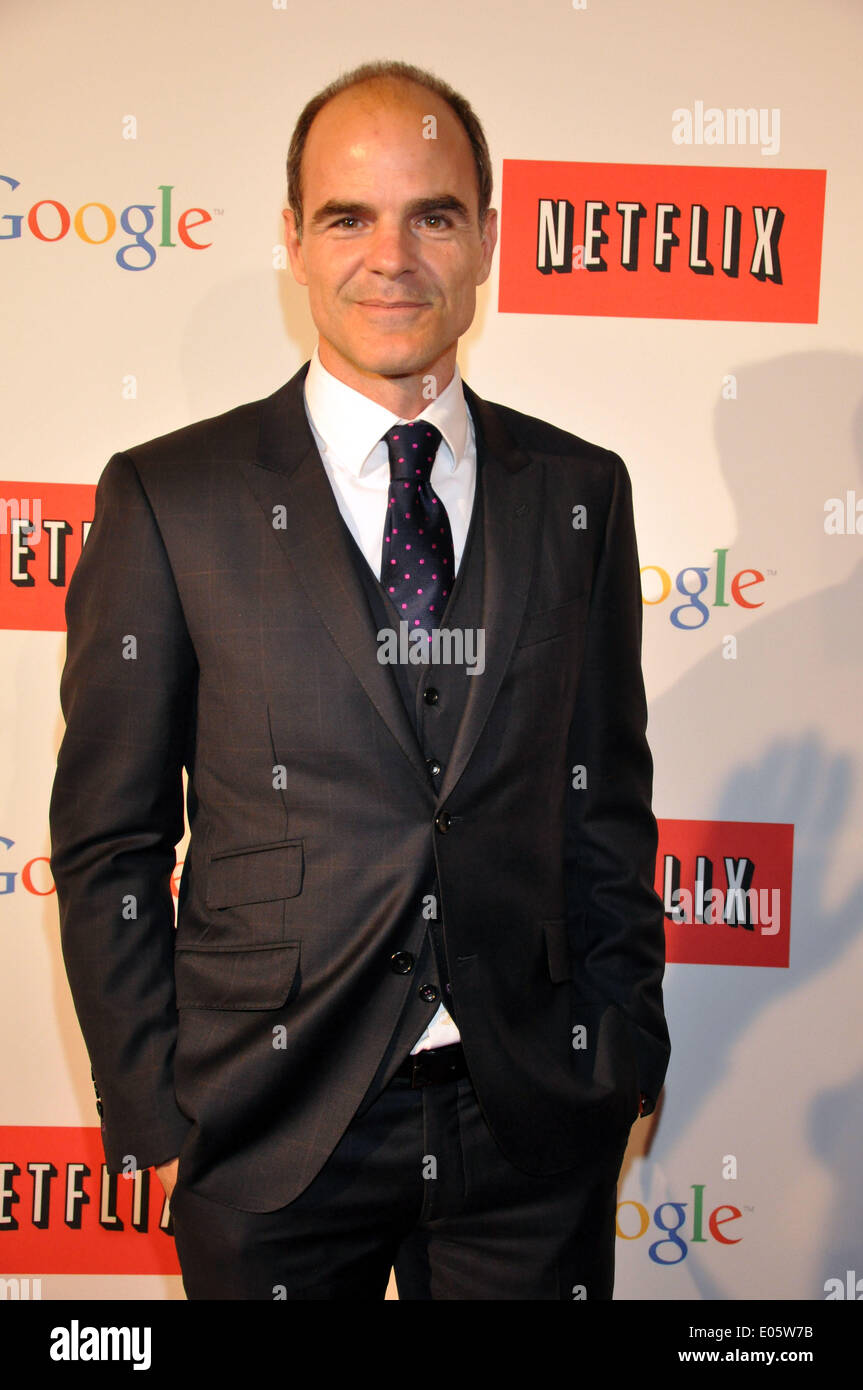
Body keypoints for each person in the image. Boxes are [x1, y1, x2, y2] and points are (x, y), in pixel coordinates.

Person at [49, 59, 670, 1300]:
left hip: (529, 1126)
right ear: (292, 239)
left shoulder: (578, 494)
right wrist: (162, 1115)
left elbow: (601, 805)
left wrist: (624, 1057)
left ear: (487, 239)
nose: (392, 257)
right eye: (348, 216)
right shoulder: (172, 498)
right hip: (269, 1129)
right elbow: (109, 837)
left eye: (433, 215)